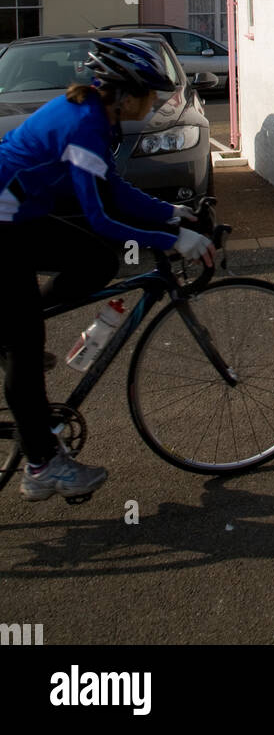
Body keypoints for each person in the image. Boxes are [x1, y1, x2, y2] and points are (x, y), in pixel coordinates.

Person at [0, 36, 215, 502]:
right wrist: (174, 239)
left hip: (20, 214)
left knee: (96, 259)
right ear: (124, 92)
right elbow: (101, 216)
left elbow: (111, 188)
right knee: (23, 343)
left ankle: (14, 326)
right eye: (150, 94)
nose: (156, 102)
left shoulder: (98, 116)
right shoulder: (84, 125)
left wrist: (170, 214)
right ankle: (41, 466)